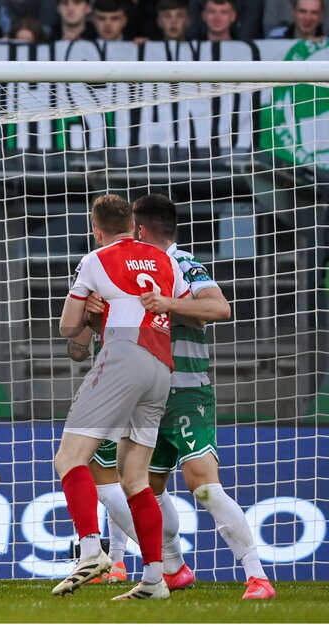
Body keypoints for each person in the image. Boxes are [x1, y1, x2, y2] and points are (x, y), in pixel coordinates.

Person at [78, 195, 276, 600]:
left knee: (202, 484)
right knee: (143, 487)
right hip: (138, 394)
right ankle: (171, 567)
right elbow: (77, 346)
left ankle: (257, 577)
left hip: (183, 388)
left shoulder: (181, 262)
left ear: (140, 229)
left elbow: (220, 308)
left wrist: (166, 302)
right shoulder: (111, 267)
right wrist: (90, 314)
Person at [52, 194, 190, 600]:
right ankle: (153, 580)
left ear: (97, 229)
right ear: (133, 224)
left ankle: (91, 551)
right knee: (135, 478)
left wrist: (93, 304)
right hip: (162, 365)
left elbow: (67, 327)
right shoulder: (164, 259)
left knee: (69, 457)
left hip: (123, 354)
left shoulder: (97, 258)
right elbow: (183, 303)